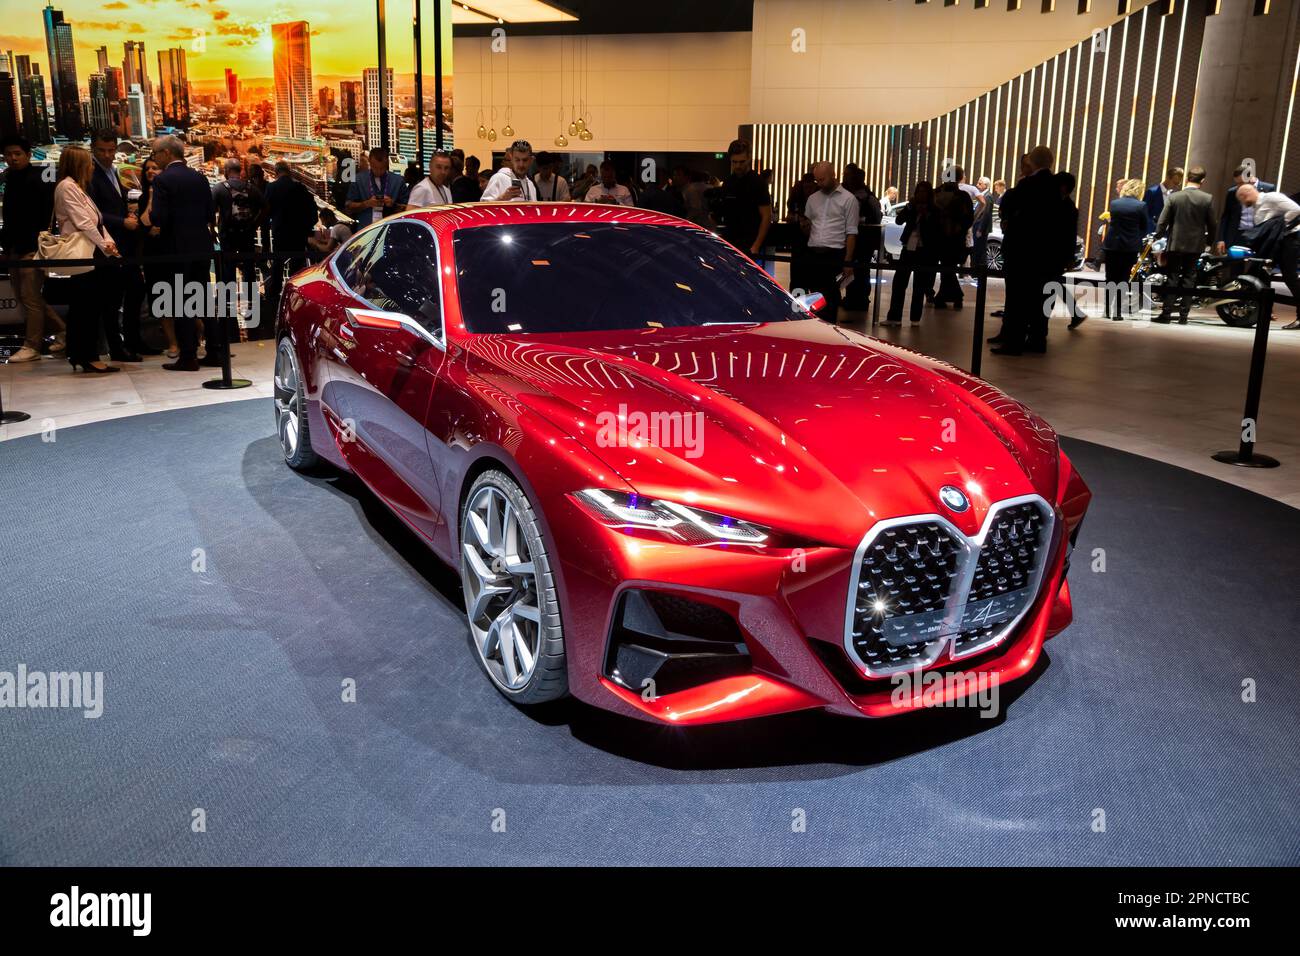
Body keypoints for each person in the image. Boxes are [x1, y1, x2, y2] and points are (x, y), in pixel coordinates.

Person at [994, 145, 1075, 354]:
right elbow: (1064, 223)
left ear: (1031, 161)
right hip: (1048, 255)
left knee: (1017, 299)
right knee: (1040, 300)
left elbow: (1011, 210)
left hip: (1023, 252)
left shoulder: (1027, 185)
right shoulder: (1058, 187)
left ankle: (1013, 342)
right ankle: (1038, 340)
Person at [52, 146, 121, 373]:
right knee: (85, 305)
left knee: (89, 305)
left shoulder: (78, 188)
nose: (92, 167)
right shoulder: (67, 187)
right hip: (84, 254)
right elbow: (83, 223)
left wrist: (108, 244)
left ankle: (84, 354)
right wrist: (104, 245)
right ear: (79, 164)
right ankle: (85, 355)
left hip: (93, 253)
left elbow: (97, 221)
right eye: (88, 162)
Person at [149, 135, 215, 370]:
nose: (153, 157)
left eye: (155, 153)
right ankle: (215, 351)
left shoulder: (162, 180)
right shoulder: (199, 177)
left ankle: (188, 356)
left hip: (176, 248)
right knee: (203, 299)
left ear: (167, 153)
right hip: (201, 246)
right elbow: (210, 213)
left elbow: (158, 217)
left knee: (181, 301)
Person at [1, 136, 66, 363]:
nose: (13, 158)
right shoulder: (10, 179)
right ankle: (63, 331)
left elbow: (43, 216)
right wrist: (7, 247)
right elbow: (10, 218)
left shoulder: (37, 179)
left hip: (32, 248)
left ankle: (32, 346)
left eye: (17, 153)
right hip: (15, 249)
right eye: (9, 154)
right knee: (25, 297)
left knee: (30, 297)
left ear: (28, 155)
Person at [87, 129, 150, 362]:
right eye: (102, 150)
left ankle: (134, 341)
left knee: (134, 291)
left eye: (111, 150)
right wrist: (122, 221)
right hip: (107, 245)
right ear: (93, 149)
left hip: (125, 244)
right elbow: (93, 212)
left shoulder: (113, 171)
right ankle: (117, 347)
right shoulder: (91, 174)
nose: (107, 155)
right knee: (112, 300)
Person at [1153, 165, 1217, 325]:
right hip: (1195, 245)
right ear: (1203, 180)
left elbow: (1162, 221)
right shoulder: (1207, 198)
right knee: (1190, 278)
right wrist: (1209, 243)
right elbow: (1212, 224)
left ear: (1187, 178)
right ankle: (1183, 316)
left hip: (1175, 243)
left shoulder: (1174, 197)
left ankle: (1166, 314)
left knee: (1172, 277)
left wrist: (1157, 237)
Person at [262, 161, 319, 340]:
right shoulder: (300, 188)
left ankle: (274, 297)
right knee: (297, 266)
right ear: (289, 172)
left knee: (278, 264)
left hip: (280, 233)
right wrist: (304, 228)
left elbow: (265, 212)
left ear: (277, 173)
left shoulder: (272, 188)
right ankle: (294, 296)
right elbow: (312, 212)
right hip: (297, 234)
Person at [1235, 183, 1300, 330]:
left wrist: (1282, 226)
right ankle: (1264, 312)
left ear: (1246, 195)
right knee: (1260, 273)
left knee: (1290, 277)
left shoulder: (1272, 197)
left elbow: (1296, 209)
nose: (1243, 204)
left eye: (1242, 200)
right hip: (1274, 243)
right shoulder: (1257, 206)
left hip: (1288, 241)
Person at [801, 161, 858, 324]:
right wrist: (804, 226)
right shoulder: (813, 198)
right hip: (813, 251)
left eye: (822, 179)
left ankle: (829, 326)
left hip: (834, 253)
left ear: (834, 175)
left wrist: (847, 261)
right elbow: (809, 226)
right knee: (814, 293)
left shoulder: (849, 199)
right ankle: (816, 324)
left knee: (830, 295)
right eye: (817, 180)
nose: (819, 183)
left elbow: (852, 232)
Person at [136, 156, 178, 358]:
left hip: (171, 253)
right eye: (147, 169)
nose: (151, 171)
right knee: (162, 302)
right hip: (154, 256)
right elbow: (144, 223)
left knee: (181, 298)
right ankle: (173, 344)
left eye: (155, 168)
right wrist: (152, 196)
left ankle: (196, 337)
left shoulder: (172, 194)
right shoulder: (144, 197)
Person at [212, 157, 262, 311]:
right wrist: (255, 223)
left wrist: (211, 230)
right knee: (248, 266)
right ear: (240, 171)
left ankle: (228, 303)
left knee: (228, 267)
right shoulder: (251, 188)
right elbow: (265, 207)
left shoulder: (219, 188)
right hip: (246, 233)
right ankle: (252, 302)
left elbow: (209, 211)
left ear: (226, 171)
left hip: (227, 234)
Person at [884, 181, 936, 326]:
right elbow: (899, 220)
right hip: (908, 248)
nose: (921, 194)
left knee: (919, 285)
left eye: (923, 192)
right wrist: (910, 207)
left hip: (924, 250)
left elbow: (936, 229)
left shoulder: (934, 209)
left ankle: (915, 318)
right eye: (918, 191)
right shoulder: (911, 207)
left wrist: (926, 214)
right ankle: (894, 317)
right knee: (899, 282)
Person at [716, 139, 773, 268]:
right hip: (730, 243)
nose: (738, 166)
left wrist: (756, 246)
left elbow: (766, 216)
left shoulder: (758, 182)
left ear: (749, 159)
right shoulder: (728, 182)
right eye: (734, 162)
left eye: (742, 162)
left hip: (750, 245)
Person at [931, 167, 979, 309]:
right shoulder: (962, 196)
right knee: (948, 267)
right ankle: (951, 296)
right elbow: (969, 218)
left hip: (944, 237)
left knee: (947, 267)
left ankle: (949, 296)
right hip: (953, 237)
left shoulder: (937, 193)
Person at [1102, 178, 1148, 320]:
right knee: (1123, 279)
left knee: (1110, 278)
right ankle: (1117, 313)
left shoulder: (1115, 203)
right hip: (1129, 247)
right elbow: (1144, 226)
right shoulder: (1141, 206)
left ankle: (1107, 310)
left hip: (1112, 246)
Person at [841, 163, 880, 309]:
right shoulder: (868, 197)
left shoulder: (865, 198)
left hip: (861, 240)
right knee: (859, 270)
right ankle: (856, 298)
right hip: (861, 240)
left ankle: (858, 299)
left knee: (859, 270)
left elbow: (875, 218)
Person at [1218, 164, 1276, 252]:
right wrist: (1221, 239)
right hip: (1237, 236)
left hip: (1258, 235)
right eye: (1237, 183)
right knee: (1235, 265)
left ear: (1251, 178)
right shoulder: (1232, 192)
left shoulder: (1268, 189)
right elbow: (1226, 216)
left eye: (1241, 183)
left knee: (1256, 264)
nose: (1239, 187)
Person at [345, 147, 407, 228]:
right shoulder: (359, 179)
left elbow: (407, 209)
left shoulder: (398, 181)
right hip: (366, 230)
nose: (378, 171)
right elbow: (348, 207)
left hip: (392, 229)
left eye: (382, 168)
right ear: (370, 163)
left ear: (387, 164)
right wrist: (366, 204)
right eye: (375, 168)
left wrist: (393, 204)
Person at [1144, 166, 1183, 232]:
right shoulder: (1152, 192)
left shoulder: (1172, 194)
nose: (1176, 186)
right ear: (1167, 178)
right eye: (1175, 183)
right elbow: (1145, 214)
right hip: (1152, 231)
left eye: (1178, 184)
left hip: (1166, 232)